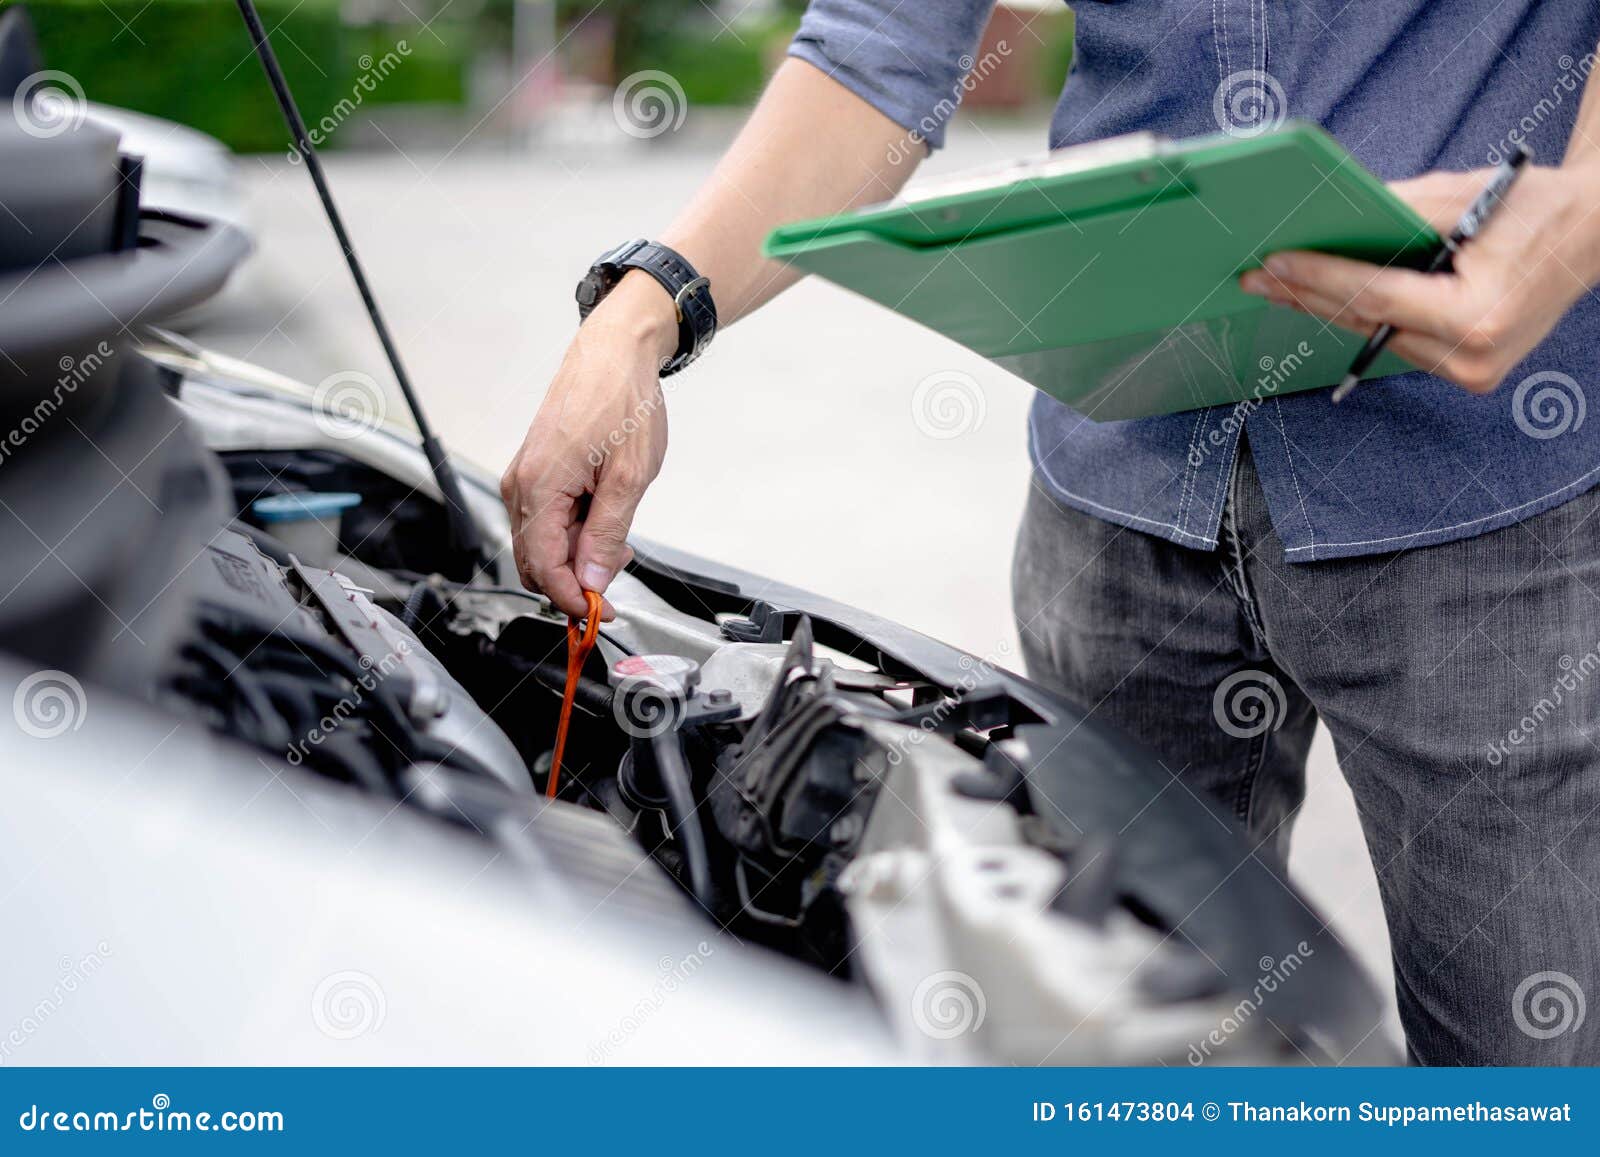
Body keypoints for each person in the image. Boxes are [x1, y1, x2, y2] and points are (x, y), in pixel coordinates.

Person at [501, 2, 1600, 1065]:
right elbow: (886, 42)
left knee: (1527, 1074)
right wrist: (644, 312)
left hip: (1484, 491)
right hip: (1117, 501)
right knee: (1121, 1062)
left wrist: (1585, 203)